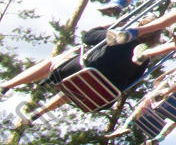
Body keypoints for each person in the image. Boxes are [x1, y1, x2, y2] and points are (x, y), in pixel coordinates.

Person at [2, 27, 165, 121]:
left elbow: (87, 37)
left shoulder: (122, 36)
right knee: (81, 85)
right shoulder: (144, 60)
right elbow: (132, 81)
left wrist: (107, 28)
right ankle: (41, 112)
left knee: (58, 61)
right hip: (100, 97)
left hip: (82, 71)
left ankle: (7, 85)